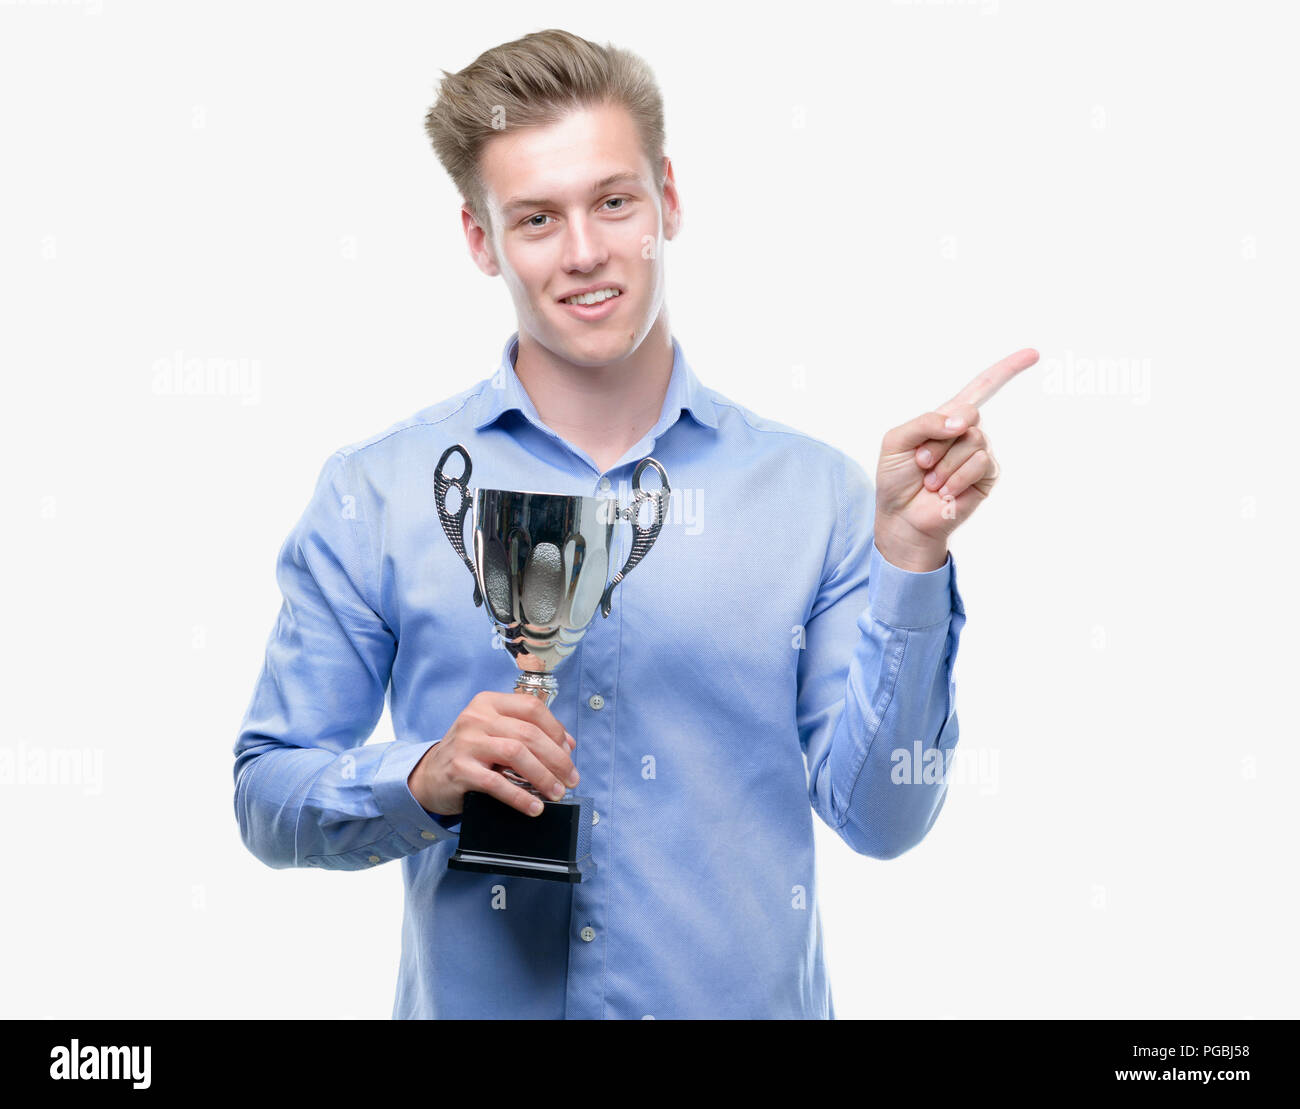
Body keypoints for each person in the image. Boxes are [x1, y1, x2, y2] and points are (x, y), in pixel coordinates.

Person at [233, 28, 1035, 1019]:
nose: (584, 253)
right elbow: (267, 792)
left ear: (668, 198)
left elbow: (884, 819)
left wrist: (910, 558)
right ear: (481, 240)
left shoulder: (817, 496)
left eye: (613, 202)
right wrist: (423, 775)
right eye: (536, 218)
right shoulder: (379, 493)